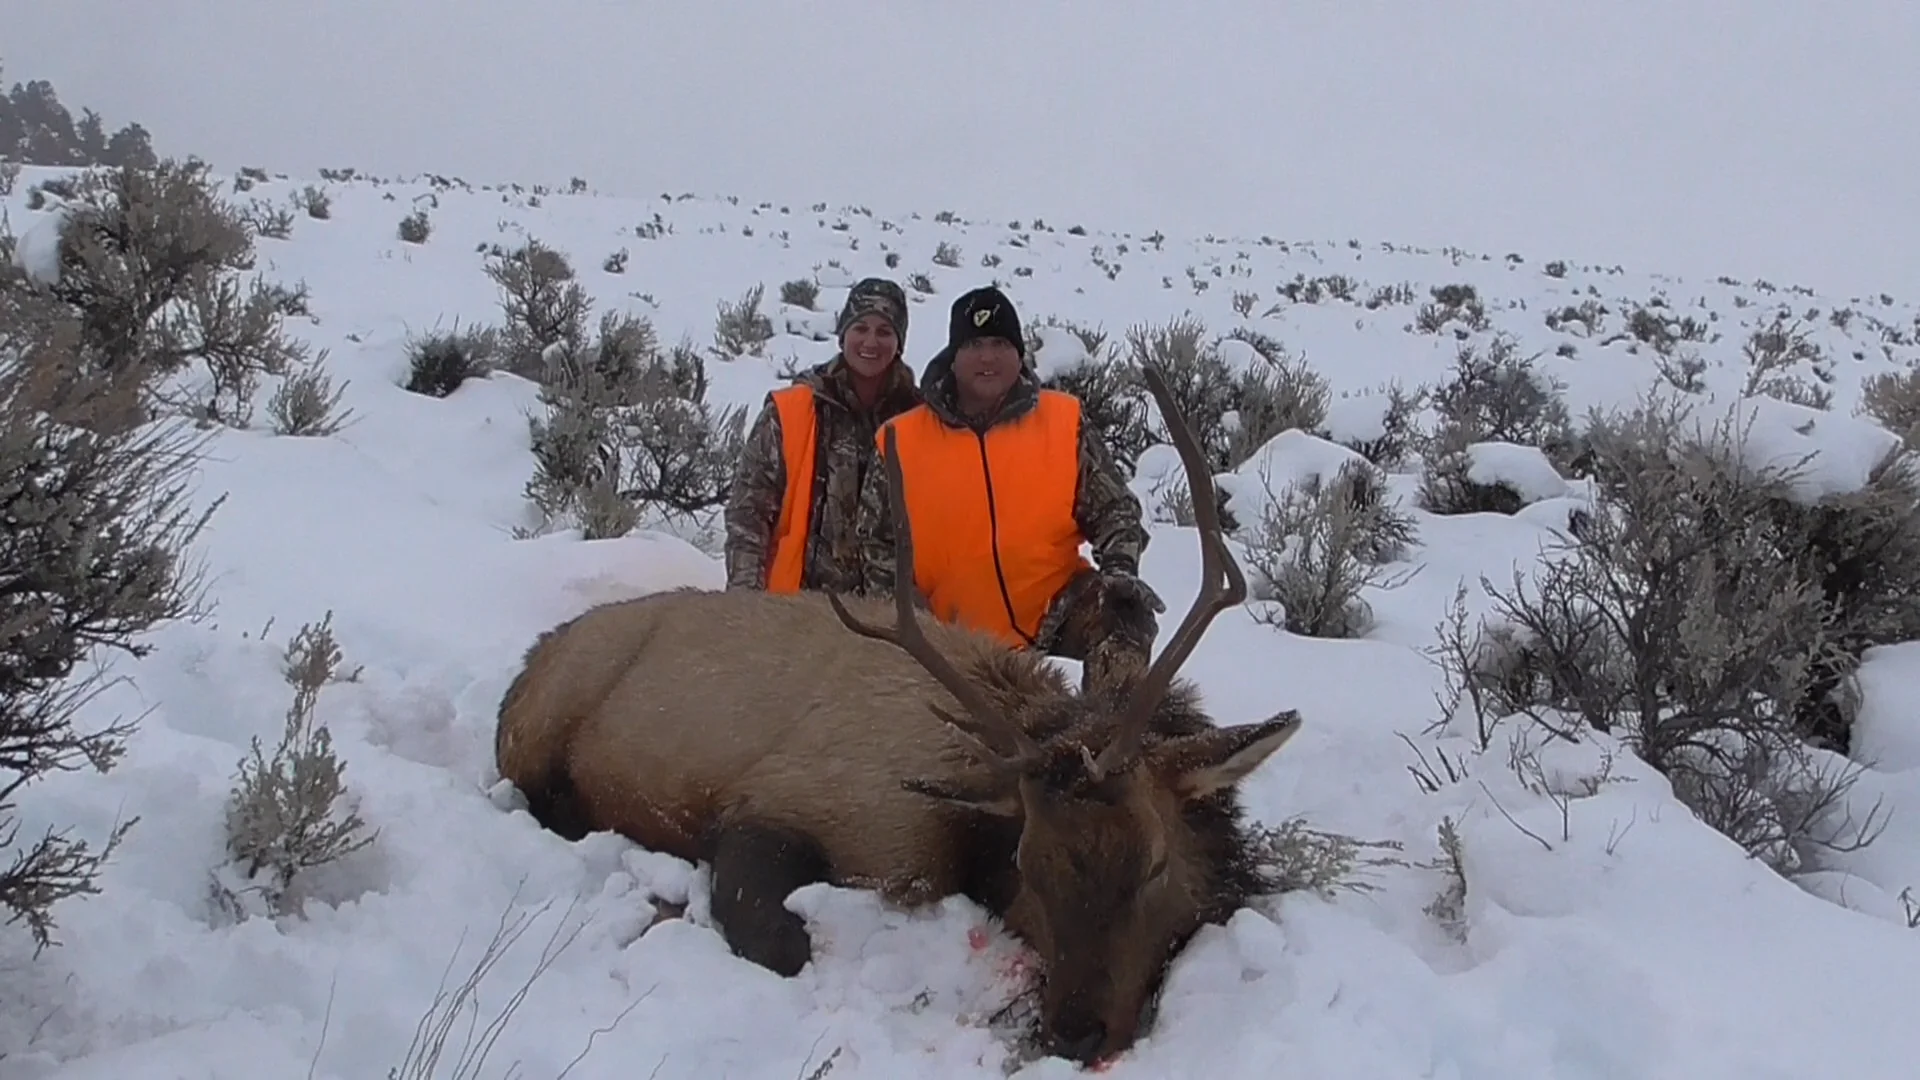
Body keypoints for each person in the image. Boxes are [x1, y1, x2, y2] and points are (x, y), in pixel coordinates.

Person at [857, 285, 1165, 698]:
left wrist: (1120, 568)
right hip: (950, 632)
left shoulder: (1063, 420)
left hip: (1056, 610)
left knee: (1124, 616)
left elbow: (1116, 510)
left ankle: (1108, 729)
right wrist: (916, 619)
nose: (988, 357)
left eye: (1000, 344)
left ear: (1019, 354)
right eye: (975, 344)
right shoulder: (899, 439)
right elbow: (876, 547)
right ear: (953, 357)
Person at [724, 277, 923, 594]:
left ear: (899, 343)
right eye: (860, 328)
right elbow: (748, 513)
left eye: (885, 331)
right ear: (843, 335)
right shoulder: (793, 412)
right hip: (796, 608)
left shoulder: (920, 420)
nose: (871, 342)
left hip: (891, 612)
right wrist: (745, 597)